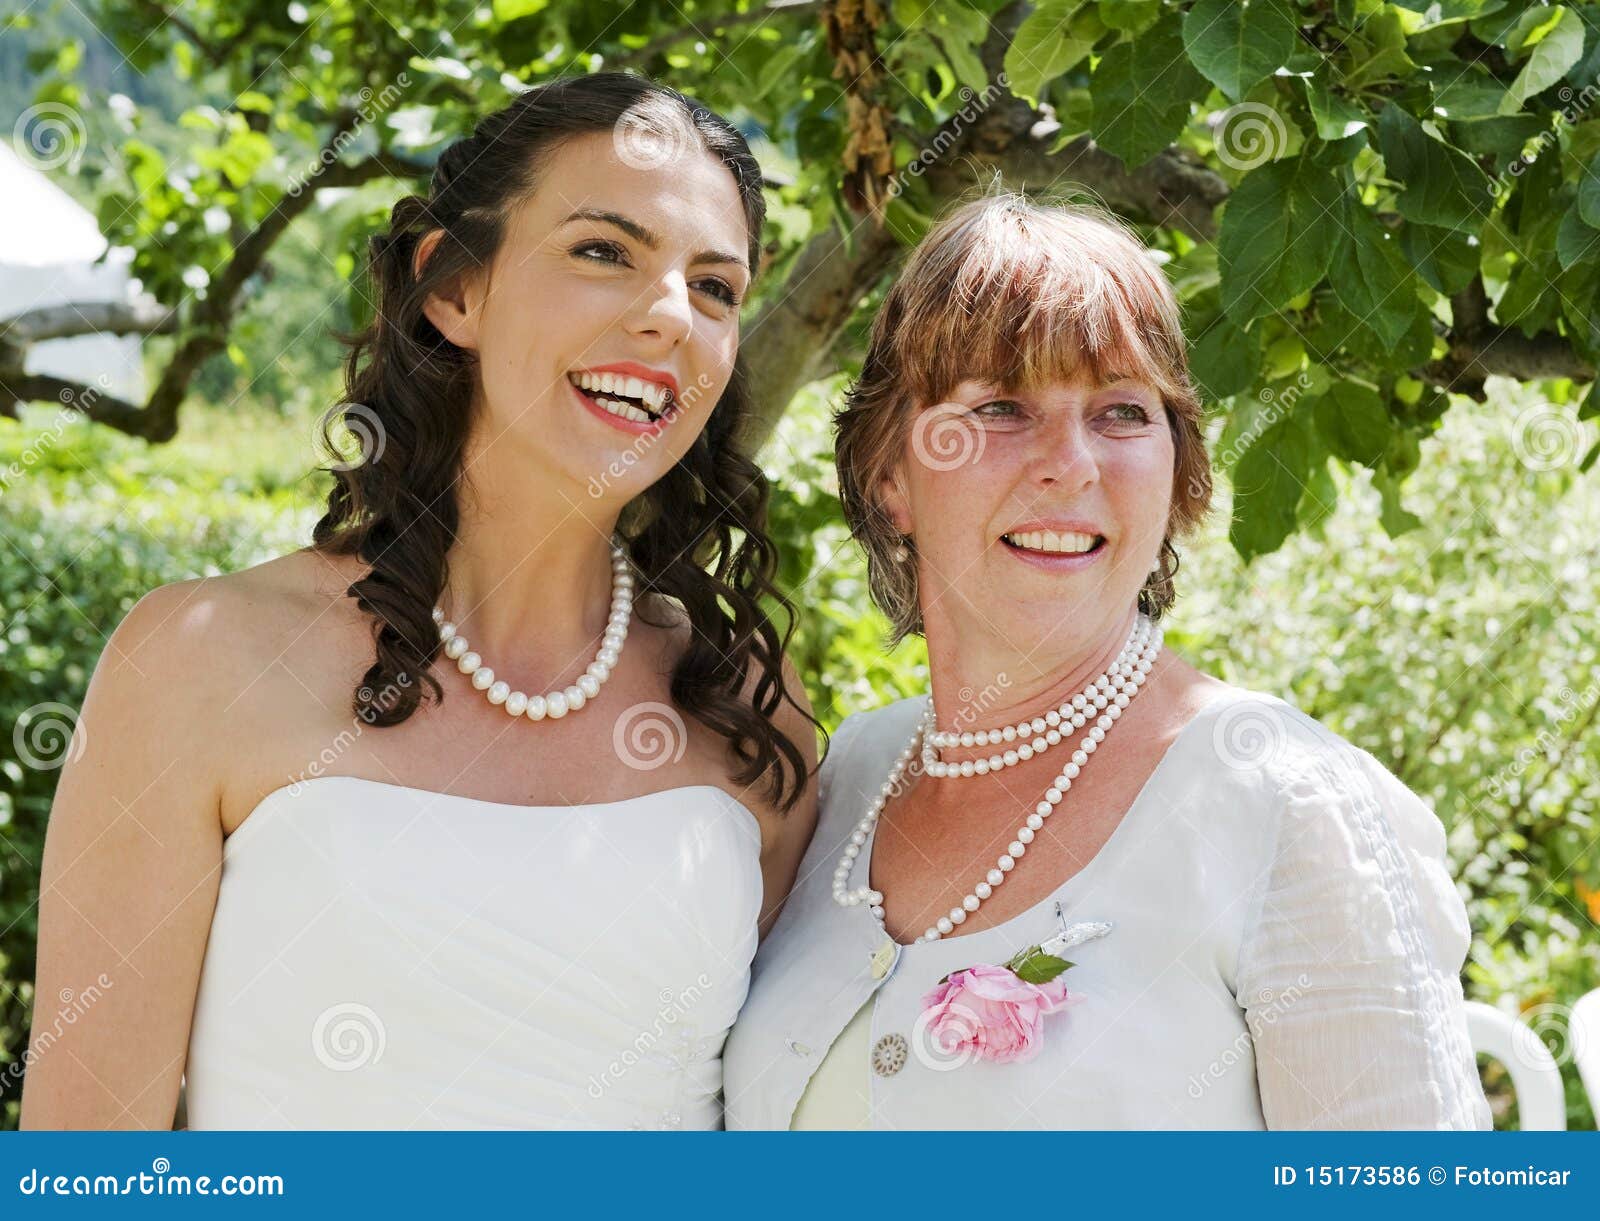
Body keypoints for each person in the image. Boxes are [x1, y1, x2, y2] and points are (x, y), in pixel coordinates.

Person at [23, 73, 818, 1131]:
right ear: (452, 288)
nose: (669, 314)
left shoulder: (744, 706)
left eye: (715, 288)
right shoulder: (200, 660)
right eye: (602, 252)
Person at [723, 193, 1491, 1130]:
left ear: (1176, 472)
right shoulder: (844, 779)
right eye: (1002, 406)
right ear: (891, 478)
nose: (1070, 463)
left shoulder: (1296, 808)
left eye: (1123, 411)